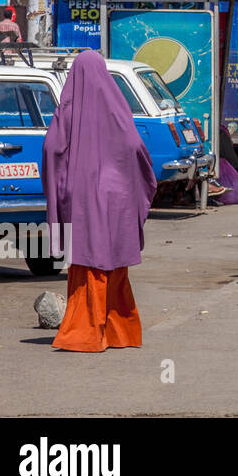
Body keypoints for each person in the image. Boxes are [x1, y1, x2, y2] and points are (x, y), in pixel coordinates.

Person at [43, 51, 157, 350]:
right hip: (117, 198)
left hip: (83, 199)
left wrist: (61, 182)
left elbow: (51, 149)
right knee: (115, 264)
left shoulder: (69, 108)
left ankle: (86, 333)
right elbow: (137, 148)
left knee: (87, 263)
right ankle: (121, 332)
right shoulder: (118, 106)